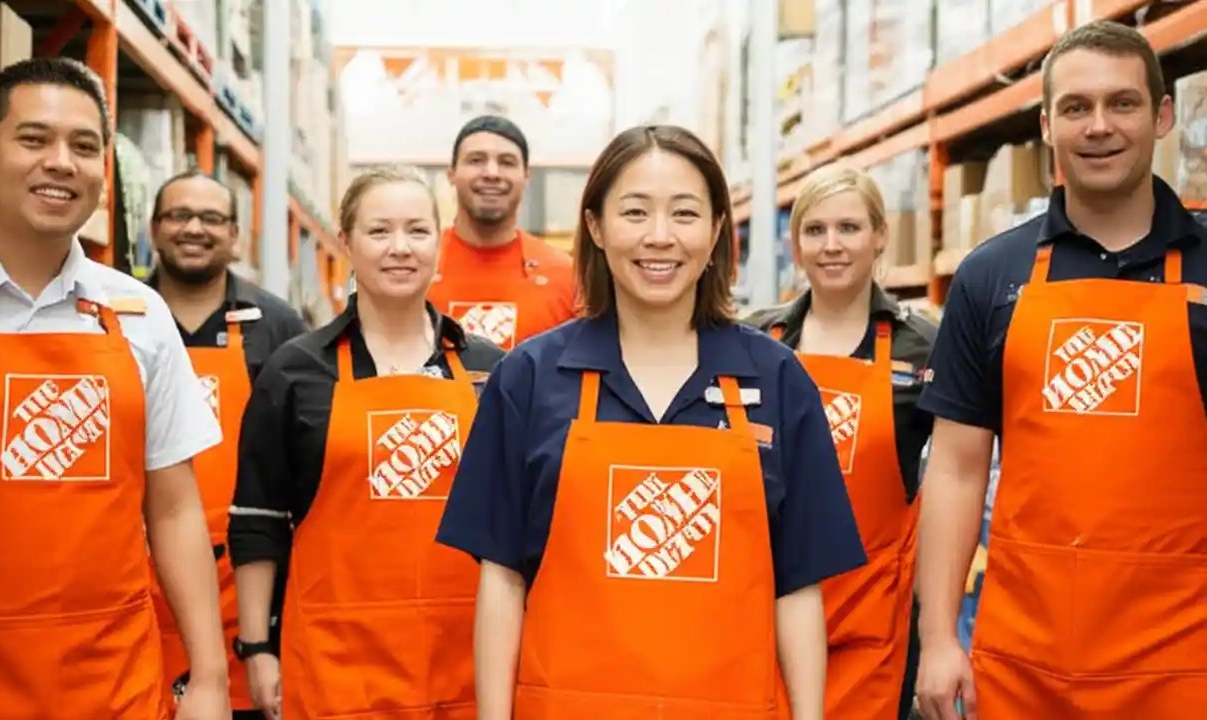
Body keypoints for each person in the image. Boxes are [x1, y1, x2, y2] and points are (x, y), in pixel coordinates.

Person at [435, 124, 867, 720]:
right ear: (596, 227)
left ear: (717, 231)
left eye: (685, 214)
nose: (659, 237)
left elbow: (798, 588)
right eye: (635, 212)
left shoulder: (777, 380)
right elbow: (501, 579)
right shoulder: (529, 378)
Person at [913, 20, 1207, 720]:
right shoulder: (992, 276)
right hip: (1022, 661)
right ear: (1047, 125)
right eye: (1076, 107)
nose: (1099, 126)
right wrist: (936, 640)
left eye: (1122, 103)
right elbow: (954, 469)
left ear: (1162, 115)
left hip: (1185, 657)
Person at [0, 58, 229, 718]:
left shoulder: (141, 315)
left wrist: (209, 679)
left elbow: (175, 509)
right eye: (34, 140)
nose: (61, 162)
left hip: (113, 687)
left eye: (84, 146)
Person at [227, 165, 505, 720]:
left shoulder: (490, 371)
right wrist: (257, 648)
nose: (399, 248)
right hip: (337, 660)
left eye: (417, 231)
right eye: (379, 231)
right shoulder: (296, 371)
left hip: (466, 657)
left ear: (440, 244)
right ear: (346, 242)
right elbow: (257, 517)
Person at [743, 165, 936, 720]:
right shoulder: (754, 343)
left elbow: (954, 481)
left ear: (879, 236)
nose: (832, 246)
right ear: (795, 243)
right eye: (815, 230)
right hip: (765, 610)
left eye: (849, 228)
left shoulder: (924, 347)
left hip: (873, 617)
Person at [147, 169, 308, 718]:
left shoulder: (279, 327)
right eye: (179, 215)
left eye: (212, 218)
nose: (194, 228)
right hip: (140, 584)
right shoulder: (118, 314)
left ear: (235, 235)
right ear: (153, 229)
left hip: (248, 581)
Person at [427, 115, 576, 350]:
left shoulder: (566, 277)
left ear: (526, 176)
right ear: (451, 174)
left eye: (507, 162)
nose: (492, 173)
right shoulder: (415, 267)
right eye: (476, 160)